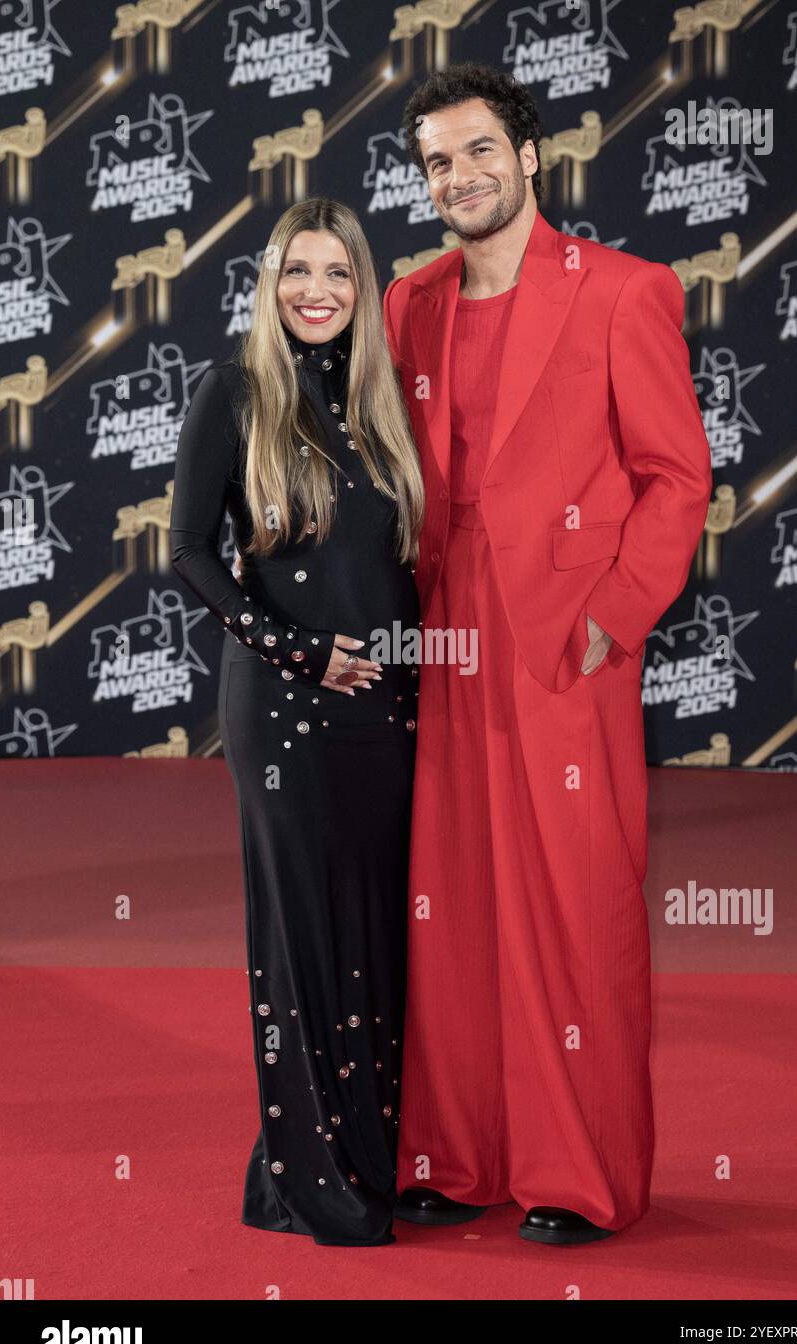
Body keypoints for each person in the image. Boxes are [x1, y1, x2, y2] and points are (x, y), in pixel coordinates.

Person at [383, 63, 712, 1244]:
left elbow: (676, 479)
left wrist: (609, 615)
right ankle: (450, 1153)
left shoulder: (623, 292)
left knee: (572, 905)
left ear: (527, 155)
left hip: (562, 644)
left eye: (478, 151)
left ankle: (577, 1174)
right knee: (446, 904)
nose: (458, 176)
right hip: (440, 634)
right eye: (435, 161)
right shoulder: (405, 300)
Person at [170, 198, 423, 1246]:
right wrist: (299, 653)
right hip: (283, 707)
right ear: (268, 286)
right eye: (294, 272)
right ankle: (305, 1174)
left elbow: (400, 567)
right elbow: (189, 554)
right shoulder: (231, 392)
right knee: (301, 938)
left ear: (361, 289)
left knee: (374, 931)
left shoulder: (383, 404)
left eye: (337, 273)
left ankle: (370, 1154)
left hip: (390, 711)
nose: (315, 291)